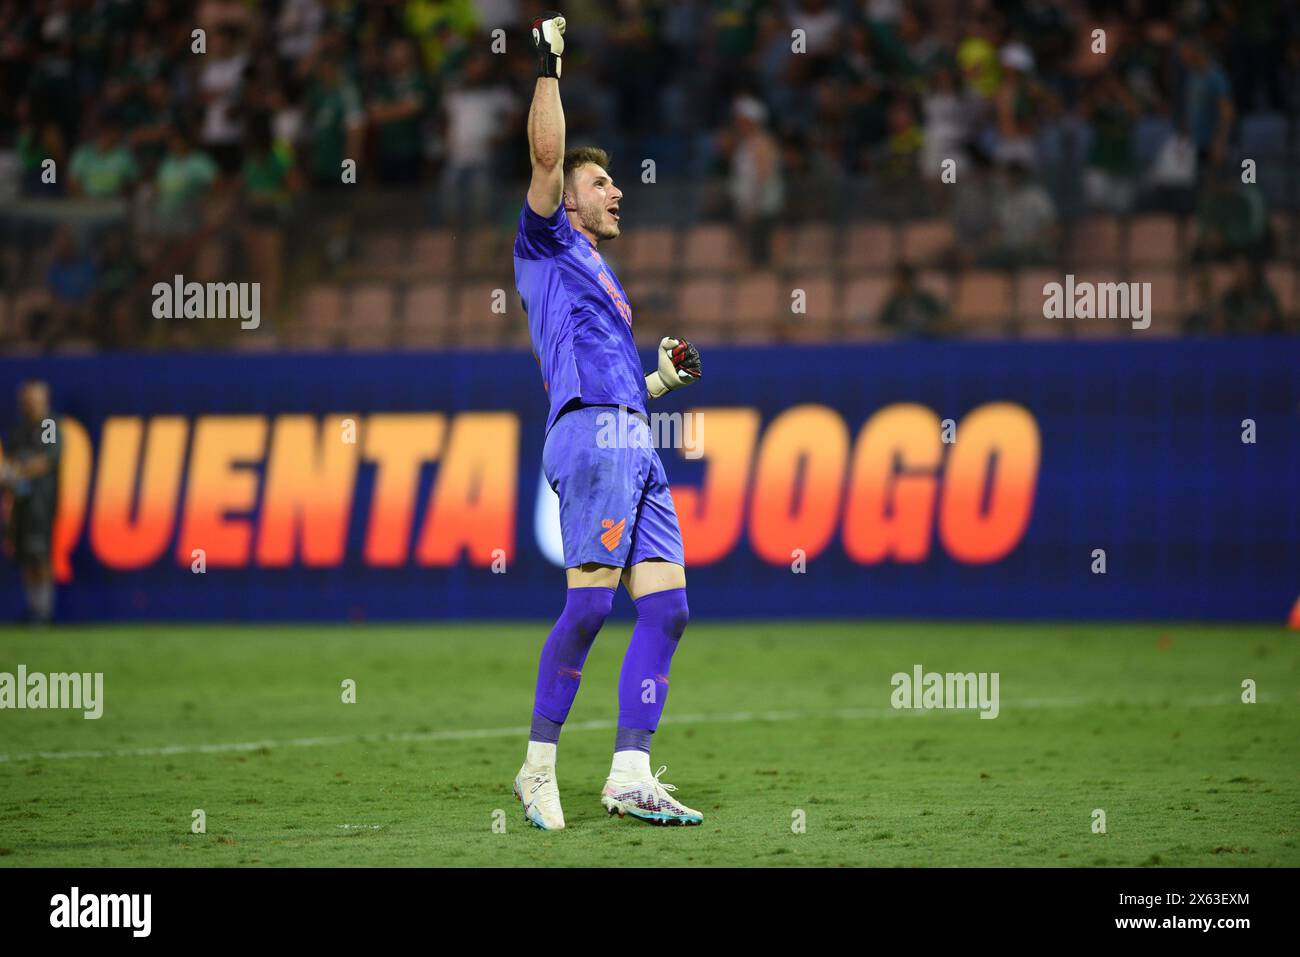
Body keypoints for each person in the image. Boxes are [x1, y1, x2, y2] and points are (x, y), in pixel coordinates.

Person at [511, 13, 705, 830]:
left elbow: (617, 378)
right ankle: (537, 765)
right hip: (591, 436)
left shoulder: (602, 275)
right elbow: (548, 156)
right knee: (590, 608)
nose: (615, 189)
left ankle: (629, 772)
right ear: (571, 201)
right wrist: (550, 66)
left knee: (666, 609)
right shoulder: (548, 242)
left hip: (631, 436)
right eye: (603, 184)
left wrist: (660, 376)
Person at [1, 381, 60, 625]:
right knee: (26, 556)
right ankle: (33, 608)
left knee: (40, 555)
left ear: (44, 400)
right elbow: (10, 460)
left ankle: (44, 612)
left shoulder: (48, 425)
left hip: (40, 502)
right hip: (21, 502)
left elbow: (46, 460)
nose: (29, 404)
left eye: (34, 399)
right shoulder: (20, 428)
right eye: (26, 399)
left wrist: (16, 472)